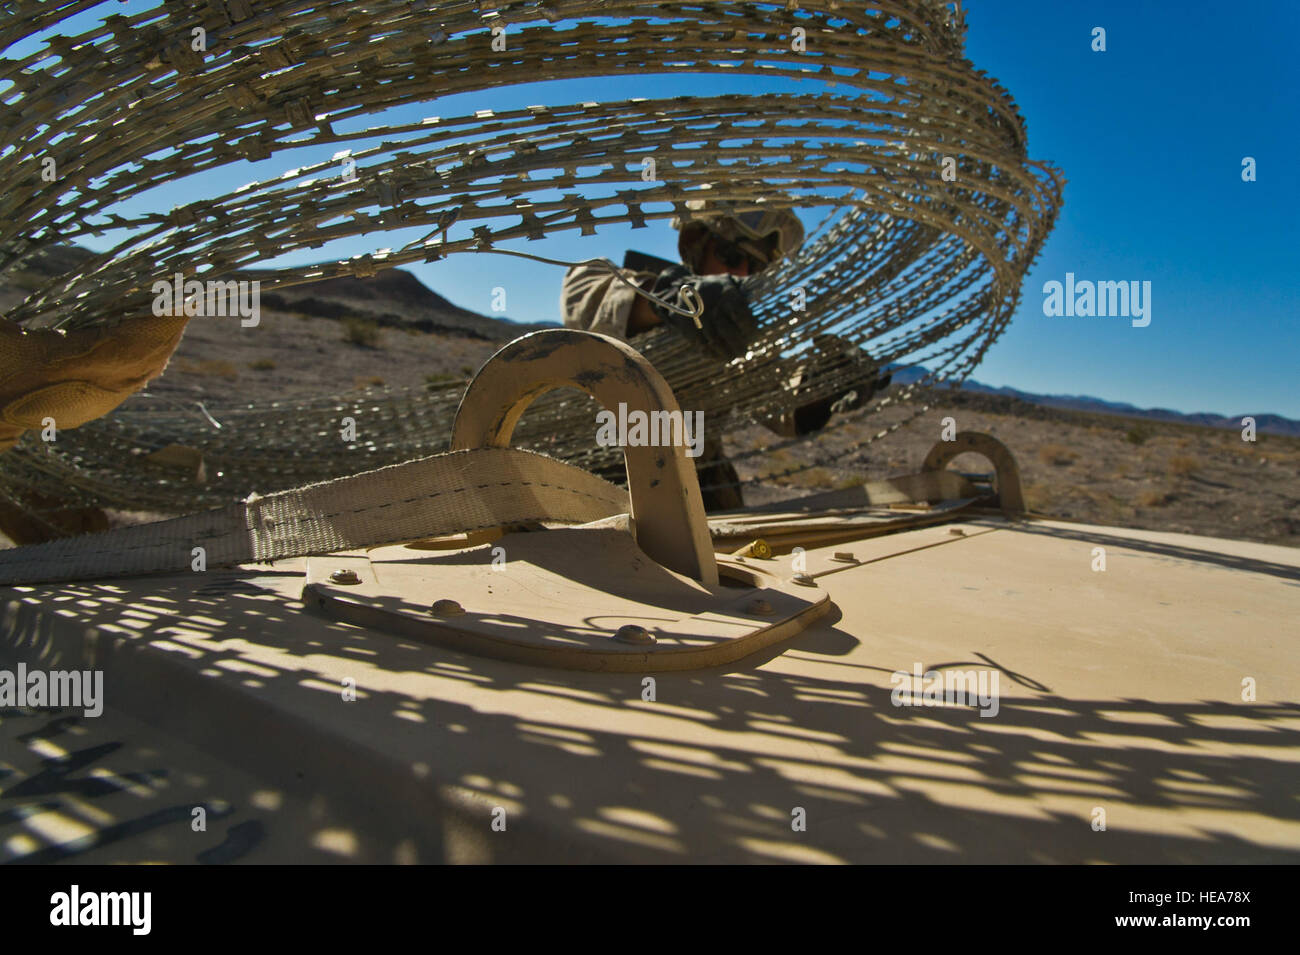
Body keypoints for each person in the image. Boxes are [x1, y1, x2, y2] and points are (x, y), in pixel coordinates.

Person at [561, 202, 890, 510]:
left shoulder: (736, 341)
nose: (744, 274)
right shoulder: (623, 286)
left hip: (704, 495)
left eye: (757, 266)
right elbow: (587, 301)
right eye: (731, 256)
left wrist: (829, 384)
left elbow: (781, 407)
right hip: (601, 488)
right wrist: (671, 300)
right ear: (695, 244)